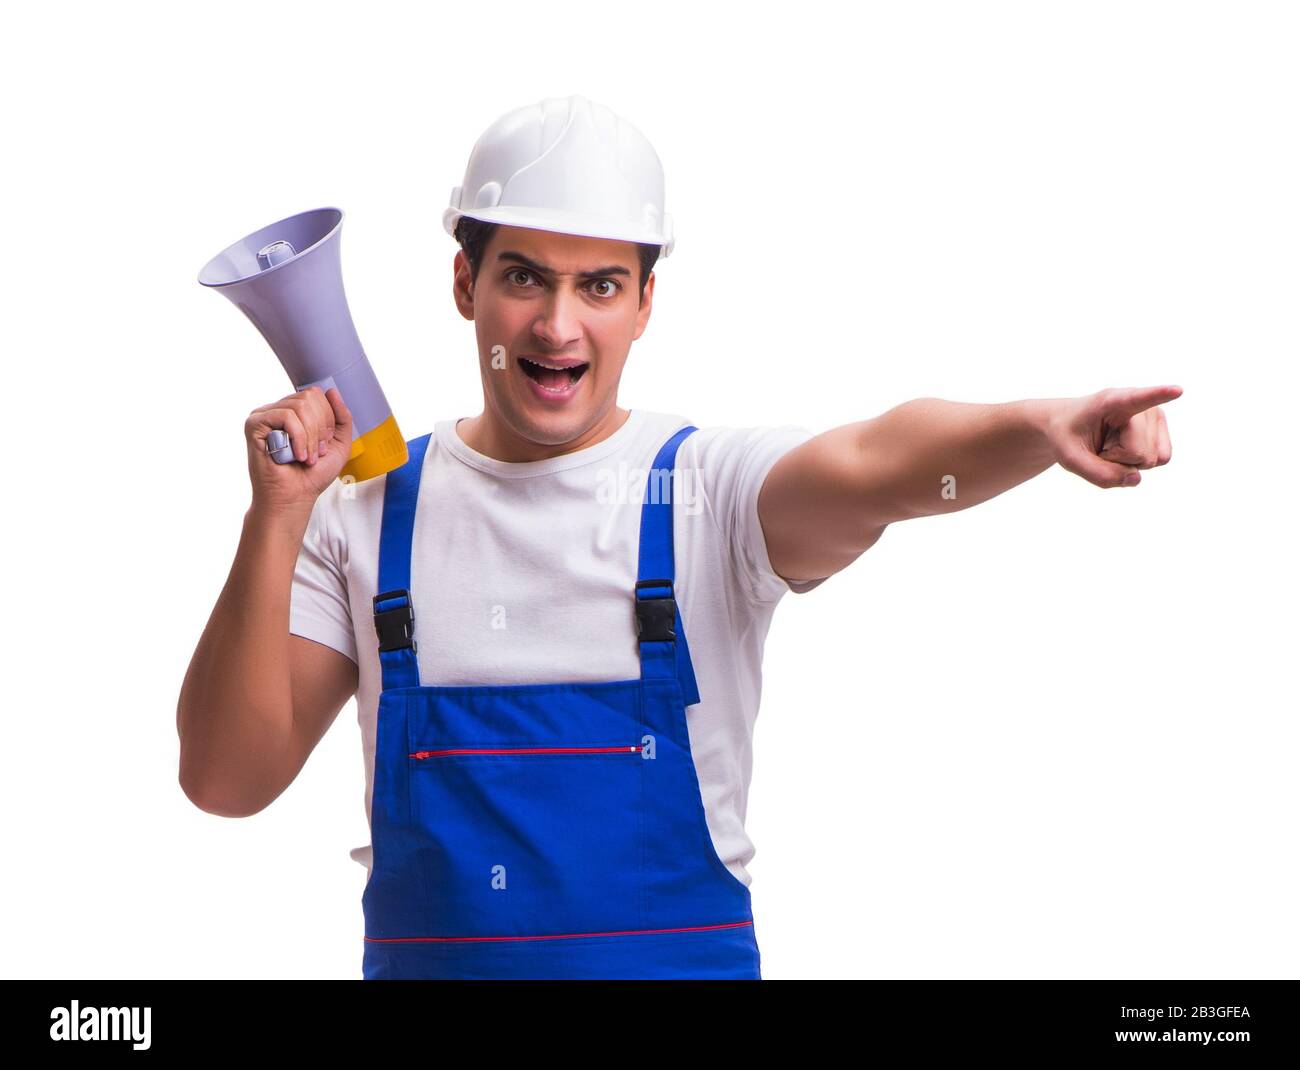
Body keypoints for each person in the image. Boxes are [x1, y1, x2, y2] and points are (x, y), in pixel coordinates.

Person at [176, 94, 1180, 980]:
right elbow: (225, 780)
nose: (557, 327)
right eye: (524, 277)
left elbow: (884, 459)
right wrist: (276, 515)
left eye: (600, 285)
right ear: (463, 284)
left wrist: (1035, 426)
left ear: (646, 300)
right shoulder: (361, 512)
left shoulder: (707, 492)